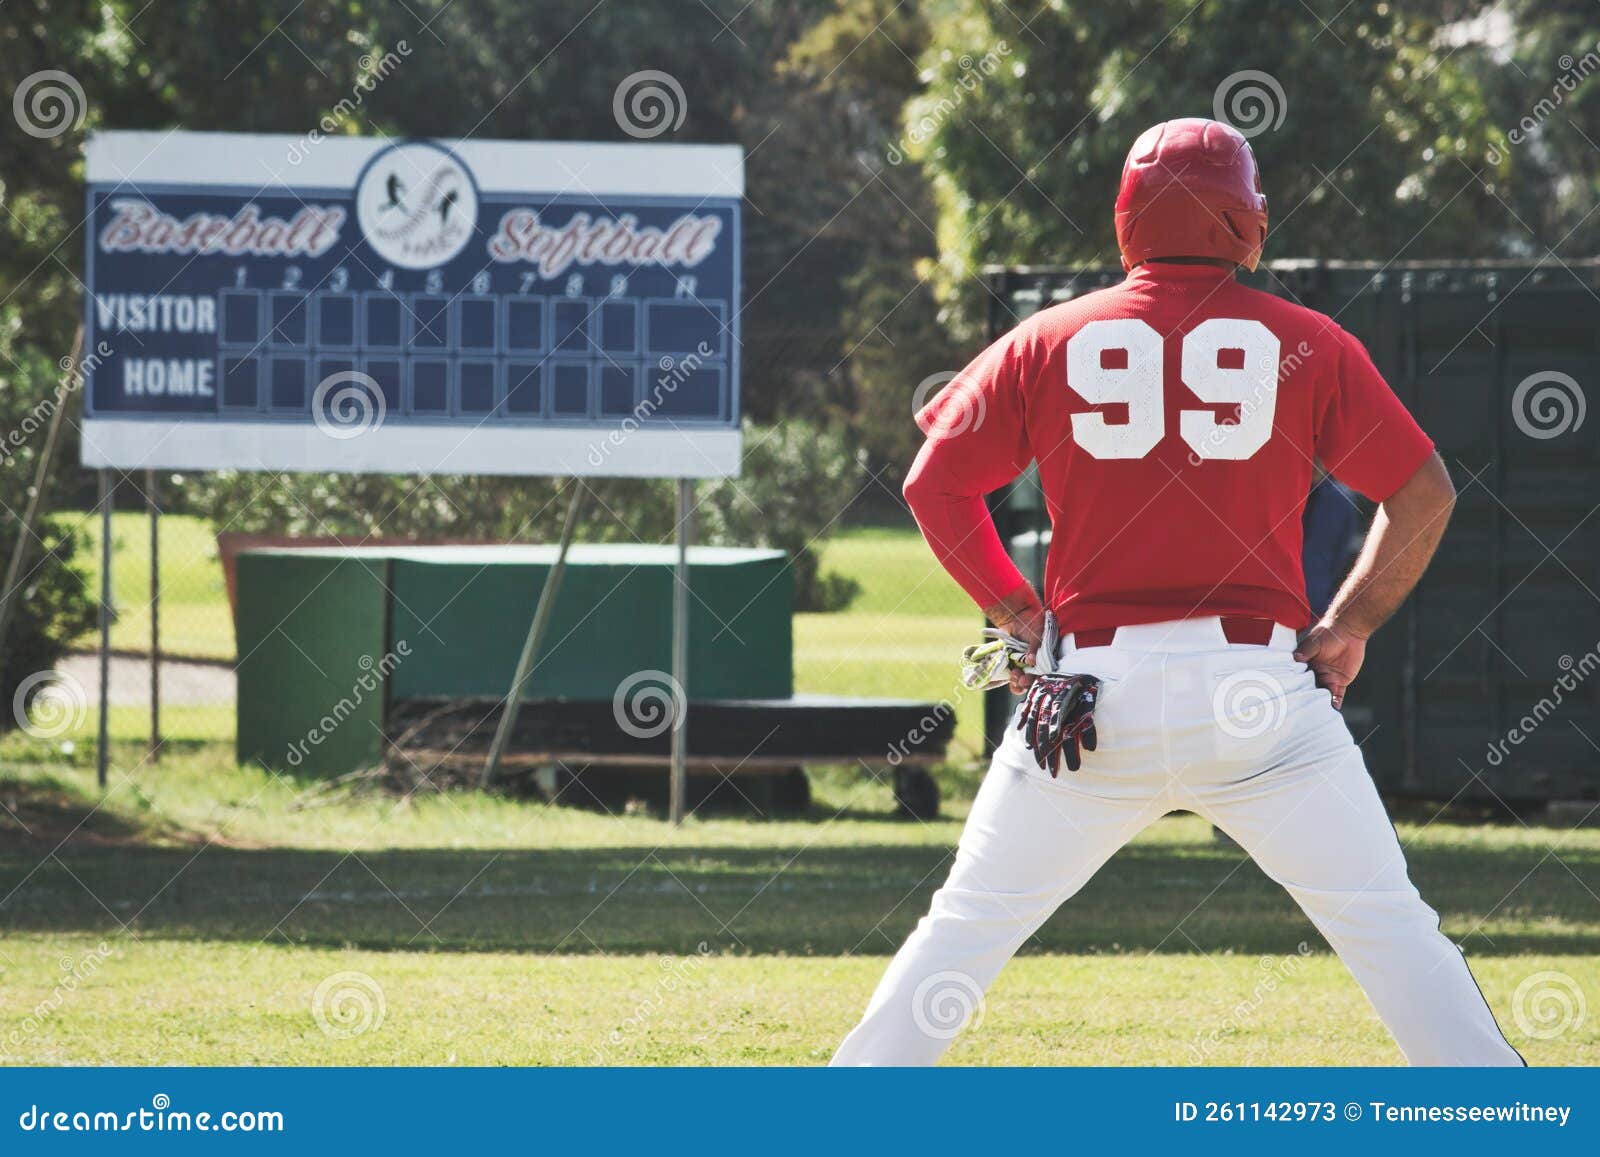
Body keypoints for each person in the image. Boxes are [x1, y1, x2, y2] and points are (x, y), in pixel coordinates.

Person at [832, 118, 1522, 1067]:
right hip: (1256, 692)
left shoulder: (1047, 338)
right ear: (1243, 221)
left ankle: (848, 1107)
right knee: (1391, 931)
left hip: (1090, 700)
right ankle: (1496, 1112)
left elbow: (932, 484)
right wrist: (1350, 622)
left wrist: (1018, 613)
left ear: (1127, 221)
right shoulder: (1308, 340)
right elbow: (1425, 493)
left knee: (965, 930)